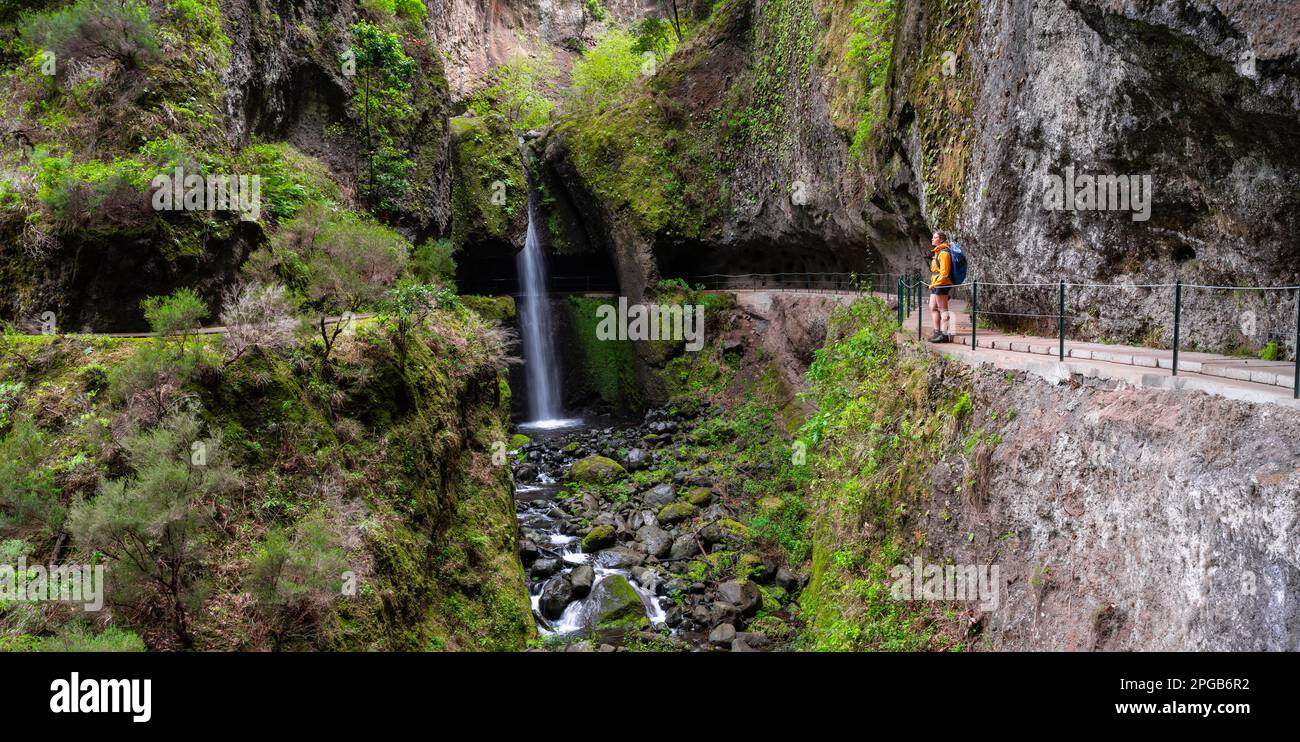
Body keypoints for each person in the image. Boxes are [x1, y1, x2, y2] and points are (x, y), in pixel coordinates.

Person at [927, 231, 955, 343]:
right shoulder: (937, 252)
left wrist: (935, 284)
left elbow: (944, 273)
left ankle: (944, 334)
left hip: (942, 284)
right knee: (932, 307)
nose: (932, 239)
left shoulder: (944, 253)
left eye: (935, 237)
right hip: (936, 283)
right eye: (933, 237)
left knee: (942, 309)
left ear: (941, 239)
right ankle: (937, 332)